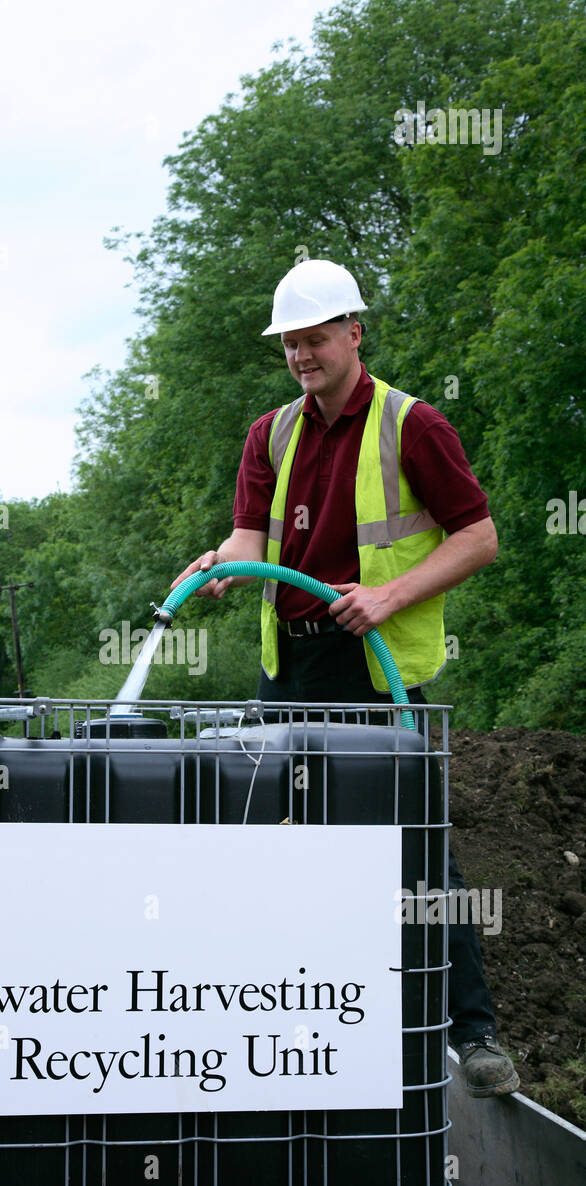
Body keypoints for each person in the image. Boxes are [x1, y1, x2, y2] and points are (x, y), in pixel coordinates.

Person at [172, 258, 518, 1099]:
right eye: (290, 343)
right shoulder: (271, 433)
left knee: (420, 856)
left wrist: (389, 594)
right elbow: (253, 545)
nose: (302, 355)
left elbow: (479, 538)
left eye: (316, 338)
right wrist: (224, 565)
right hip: (291, 666)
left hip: (374, 670)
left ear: (353, 333)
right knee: (261, 836)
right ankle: (274, 1014)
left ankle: (472, 1034)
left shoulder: (413, 425)